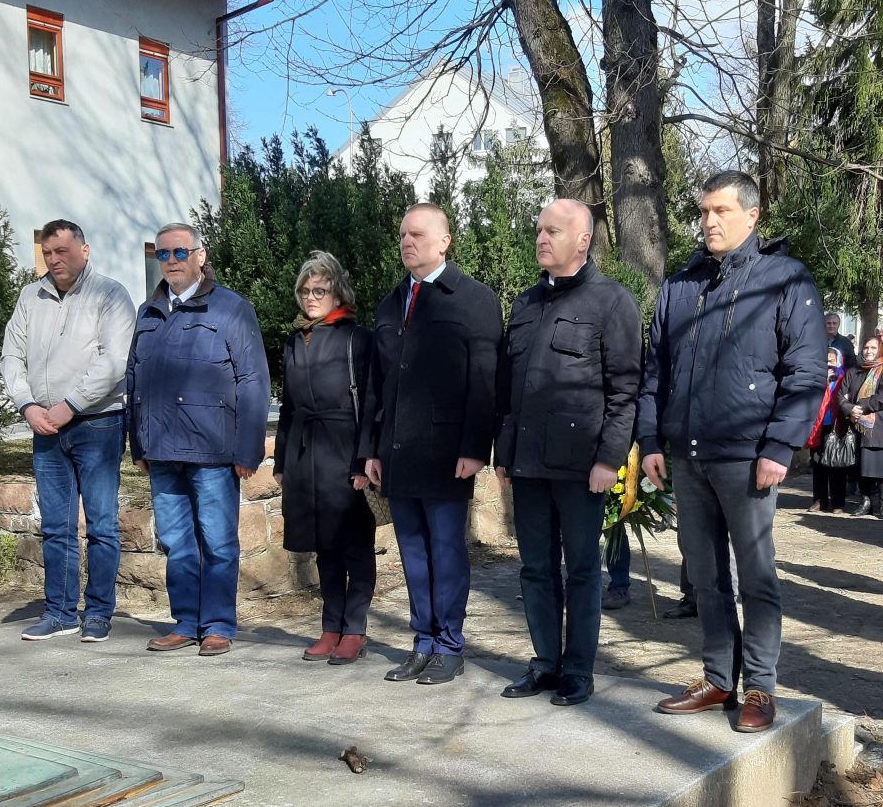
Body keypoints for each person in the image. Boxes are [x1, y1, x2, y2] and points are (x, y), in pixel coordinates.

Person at [638, 171, 824, 734]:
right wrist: (650, 440)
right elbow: (655, 371)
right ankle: (719, 677)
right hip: (688, 455)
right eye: (702, 212)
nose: (709, 222)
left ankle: (761, 687)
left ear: (752, 215)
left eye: (720, 211)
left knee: (757, 575)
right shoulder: (681, 284)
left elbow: (806, 370)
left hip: (749, 458)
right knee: (706, 577)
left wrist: (779, 445)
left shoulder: (785, 280)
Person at [493, 199, 642, 706]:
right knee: (535, 568)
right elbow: (511, 391)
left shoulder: (612, 302)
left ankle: (578, 668)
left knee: (580, 570)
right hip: (529, 464)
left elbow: (624, 392)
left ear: (583, 240)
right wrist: (505, 454)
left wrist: (609, 459)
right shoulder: (525, 304)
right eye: (538, 229)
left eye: (553, 230)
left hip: (582, 468)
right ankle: (545, 663)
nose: (541, 238)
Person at [361, 202, 502, 686]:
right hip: (398, 452)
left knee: (446, 553)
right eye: (403, 234)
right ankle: (421, 642)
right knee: (413, 554)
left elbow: (484, 381)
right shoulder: (390, 303)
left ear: (444, 241)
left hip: (446, 453)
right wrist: (370, 449)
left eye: (417, 234)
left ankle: (449, 644)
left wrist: (474, 447)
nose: (407, 241)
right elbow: (376, 386)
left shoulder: (472, 299)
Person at [127, 222, 270, 656]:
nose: (170, 261)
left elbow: (253, 381)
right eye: (163, 254)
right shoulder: (148, 311)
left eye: (179, 252)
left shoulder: (231, 309)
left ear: (200, 256)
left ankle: (219, 624)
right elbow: (133, 380)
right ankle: (186, 621)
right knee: (175, 541)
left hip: (213, 450)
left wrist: (248, 449)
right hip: (162, 450)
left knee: (219, 541)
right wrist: (138, 444)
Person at [0, 219, 136, 643]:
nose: (54, 260)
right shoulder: (30, 297)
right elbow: (11, 356)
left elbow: (114, 361)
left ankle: (97, 613)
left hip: (98, 423)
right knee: (56, 526)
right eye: (47, 252)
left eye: (62, 251)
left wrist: (69, 406)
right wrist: (27, 405)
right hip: (44, 427)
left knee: (101, 525)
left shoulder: (110, 295)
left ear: (85, 250)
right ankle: (59, 611)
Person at [274, 251, 376, 665]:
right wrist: (282, 461)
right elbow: (288, 407)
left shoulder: (357, 339)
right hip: (305, 455)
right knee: (324, 548)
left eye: (321, 289)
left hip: (345, 452)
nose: (311, 296)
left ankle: (355, 628)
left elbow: (371, 403)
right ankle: (330, 626)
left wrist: (364, 461)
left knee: (355, 545)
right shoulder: (295, 342)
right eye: (305, 290)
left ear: (338, 292)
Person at [840, 336, 883, 517]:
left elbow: (881, 397)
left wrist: (862, 406)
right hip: (856, 426)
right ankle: (864, 501)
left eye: (873, 347)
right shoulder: (854, 371)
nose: (869, 351)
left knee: (878, 467)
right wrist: (850, 409)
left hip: (878, 427)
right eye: (866, 347)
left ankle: (879, 504)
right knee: (860, 467)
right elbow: (841, 395)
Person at [808, 347, 851, 513]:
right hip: (818, 427)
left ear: (839, 359)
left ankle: (838, 503)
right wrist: (822, 381)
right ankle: (819, 500)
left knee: (837, 465)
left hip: (837, 426)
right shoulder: (817, 376)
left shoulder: (845, 376)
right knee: (818, 464)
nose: (829, 360)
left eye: (832, 357)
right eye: (826, 358)